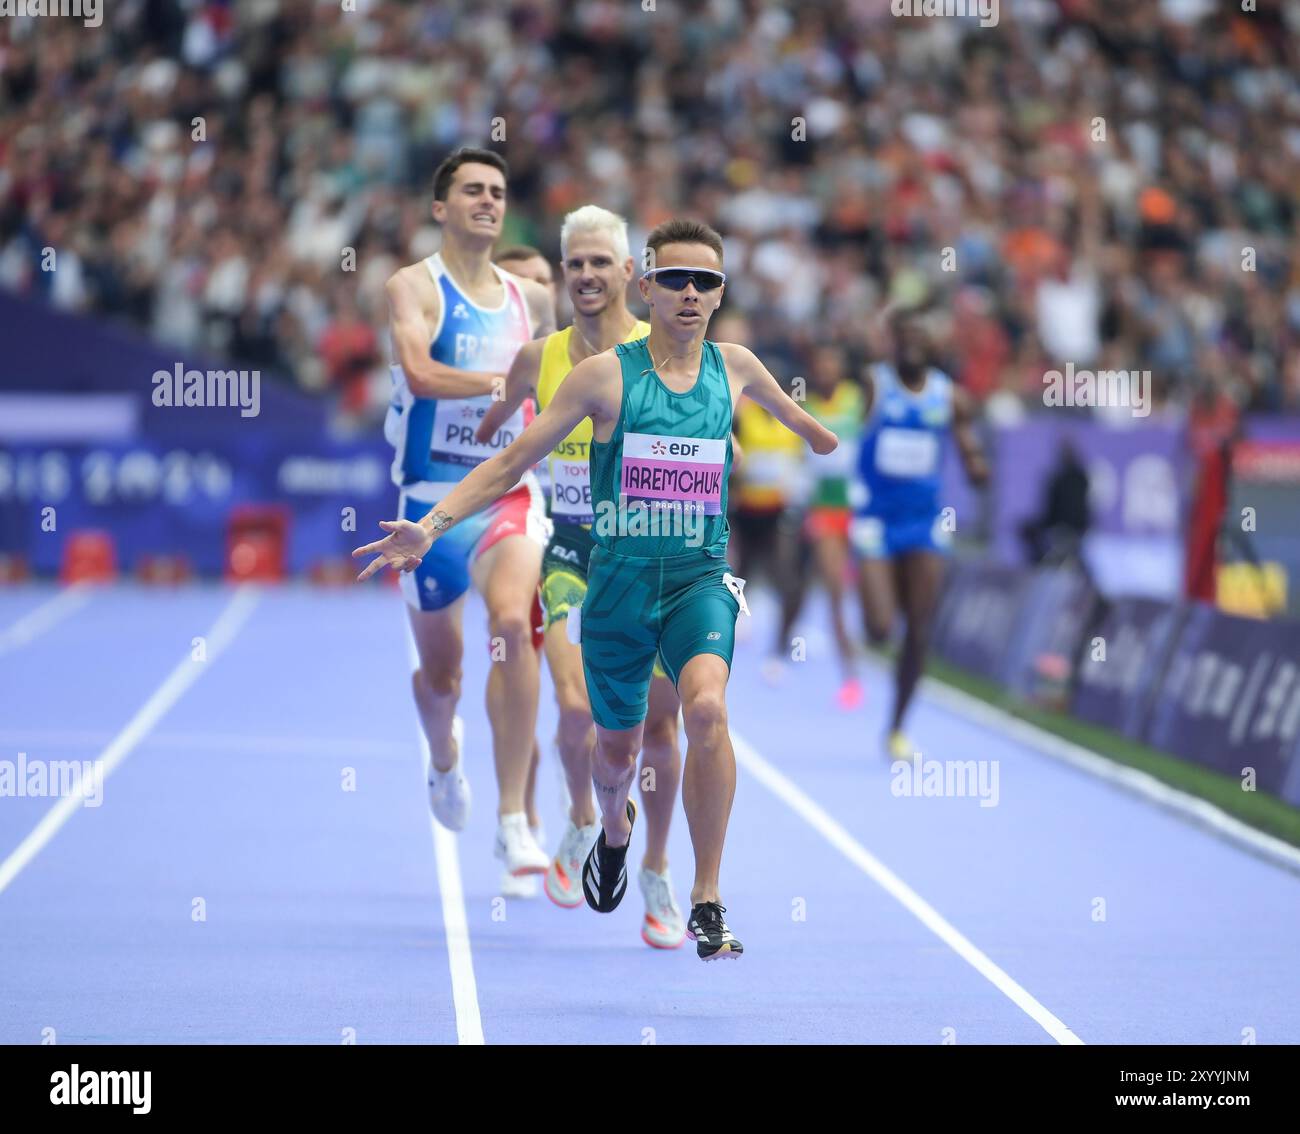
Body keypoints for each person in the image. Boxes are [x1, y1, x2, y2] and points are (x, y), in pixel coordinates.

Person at [356, 218, 837, 960]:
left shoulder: (735, 366)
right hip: (614, 585)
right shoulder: (603, 376)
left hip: (699, 580)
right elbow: (512, 459)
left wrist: (815, 437)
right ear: (645, 288)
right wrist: (432, 520)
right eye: (674, 278)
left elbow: (798, 419)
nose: (689, 292)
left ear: (718, 295)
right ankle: (614, 832)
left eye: (704, 281)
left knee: (705, 709)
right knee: (613, 752)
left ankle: (706, 896)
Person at [479, 206, 686, 948]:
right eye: (578, 265)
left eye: (603, 262)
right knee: (575, 709)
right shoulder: (540, 357)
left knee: (658, 728)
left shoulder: (664, 353)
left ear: (631, 272)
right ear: (564, 274)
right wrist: (488, 430)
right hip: (571, 553)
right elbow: (499, 424)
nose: (589, 275)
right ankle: (581, 815)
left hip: (656, 558)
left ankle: (656, 869)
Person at [381, 146, 556, 883]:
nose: (488, 200)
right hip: (427, 506)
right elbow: (419, 374)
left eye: (498, 191)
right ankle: (445, 760)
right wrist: (505, 381)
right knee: (443, 676)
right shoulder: (412, 285)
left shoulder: (531, 301)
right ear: (440, 207)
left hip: (507, 493)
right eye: (473, 190)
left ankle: (514, 818)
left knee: (514, 624)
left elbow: (557, 388)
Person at [850, 308, 988, 762]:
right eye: (903, 337)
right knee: (880, 626)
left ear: (934, 349)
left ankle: (896, 728)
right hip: (874, 520)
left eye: (920, 339)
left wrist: (975, 468)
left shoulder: (950, 398)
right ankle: (870, 620)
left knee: (920, 627)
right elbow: (847, 430)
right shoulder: (875, 385)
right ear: (891, 344)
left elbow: (969, 447)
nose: (911, 345)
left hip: (924, 523)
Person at [801, 344, 867, 708]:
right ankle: (851, 673)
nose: (826, 369)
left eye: (832, 362)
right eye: (820, 363)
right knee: (836, 592)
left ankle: (870, 645)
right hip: (825, 510)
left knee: (867, 593)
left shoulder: (857, 400)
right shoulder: (807, 408)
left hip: (860, 510)